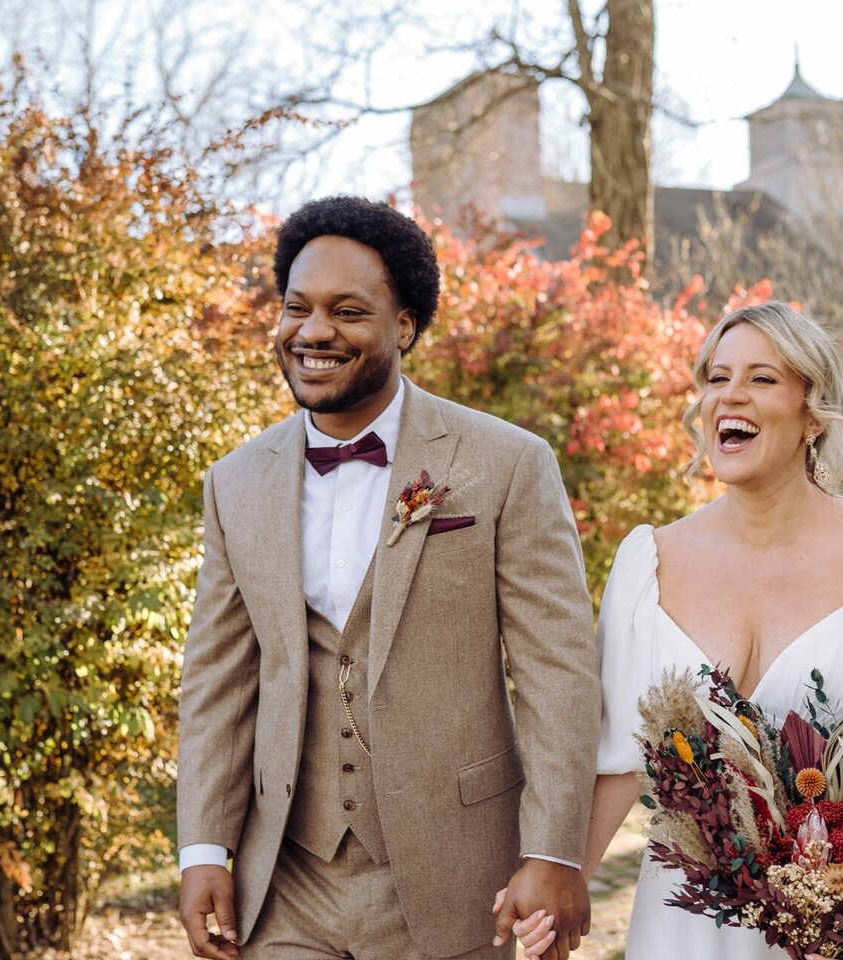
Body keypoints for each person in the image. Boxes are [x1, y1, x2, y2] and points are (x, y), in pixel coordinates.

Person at [175, 195, 601, 960]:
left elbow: (557, 672)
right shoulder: (234, 483)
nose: (314, 331)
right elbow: (218, 679)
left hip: (457, 879)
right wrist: (203, 848)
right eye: (297, 307)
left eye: (347, 311)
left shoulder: (506, 462)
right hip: (286, 885)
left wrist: (553, 851)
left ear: (403, 326)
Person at [514, 300, 843, 959]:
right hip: (688, 923)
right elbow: (615, 757)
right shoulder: (648, 563)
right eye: (717, 378)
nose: (730, 395)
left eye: (762, 378)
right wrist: (565, 886)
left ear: (813, 413)